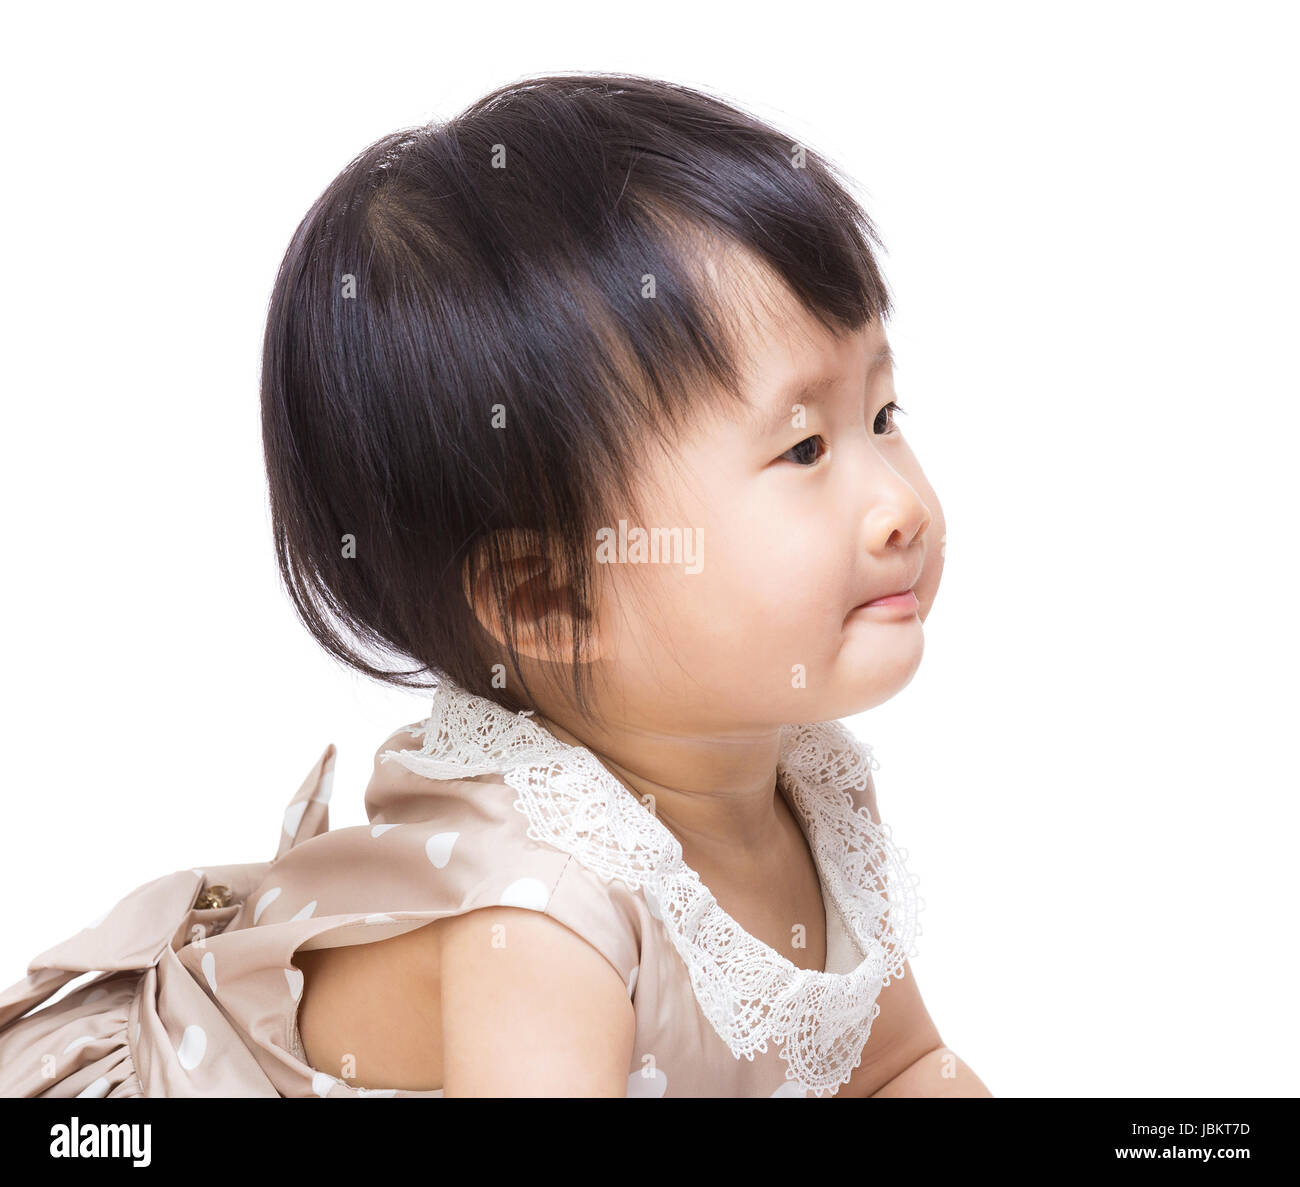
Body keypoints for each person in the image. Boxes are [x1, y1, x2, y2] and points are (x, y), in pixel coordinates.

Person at [0, 71, 989, 1098]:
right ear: (549, 601)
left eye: (882, 414)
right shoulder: (543, 913)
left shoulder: (811, 789)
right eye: (803, 448)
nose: (898, 504)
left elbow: (901, 1066)